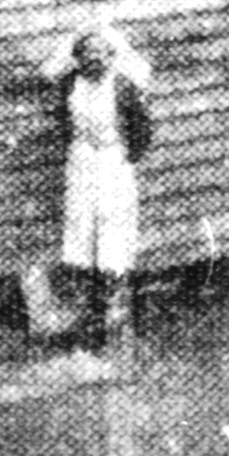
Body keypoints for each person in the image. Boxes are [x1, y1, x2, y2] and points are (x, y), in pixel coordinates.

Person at [48, 27, 152, 348]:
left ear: (111, 57)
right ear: (77, 58)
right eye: (86, 53)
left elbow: (141, 129)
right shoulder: (70, 84)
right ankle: (84, 309)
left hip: (112, 160)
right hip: (81, 159)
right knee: (81, 225)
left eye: (101, 53)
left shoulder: (122, 87)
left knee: (111, 224)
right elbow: (61, 120)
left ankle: (113, 309)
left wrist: (124, 158)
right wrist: (77, 148)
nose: (93, 59)